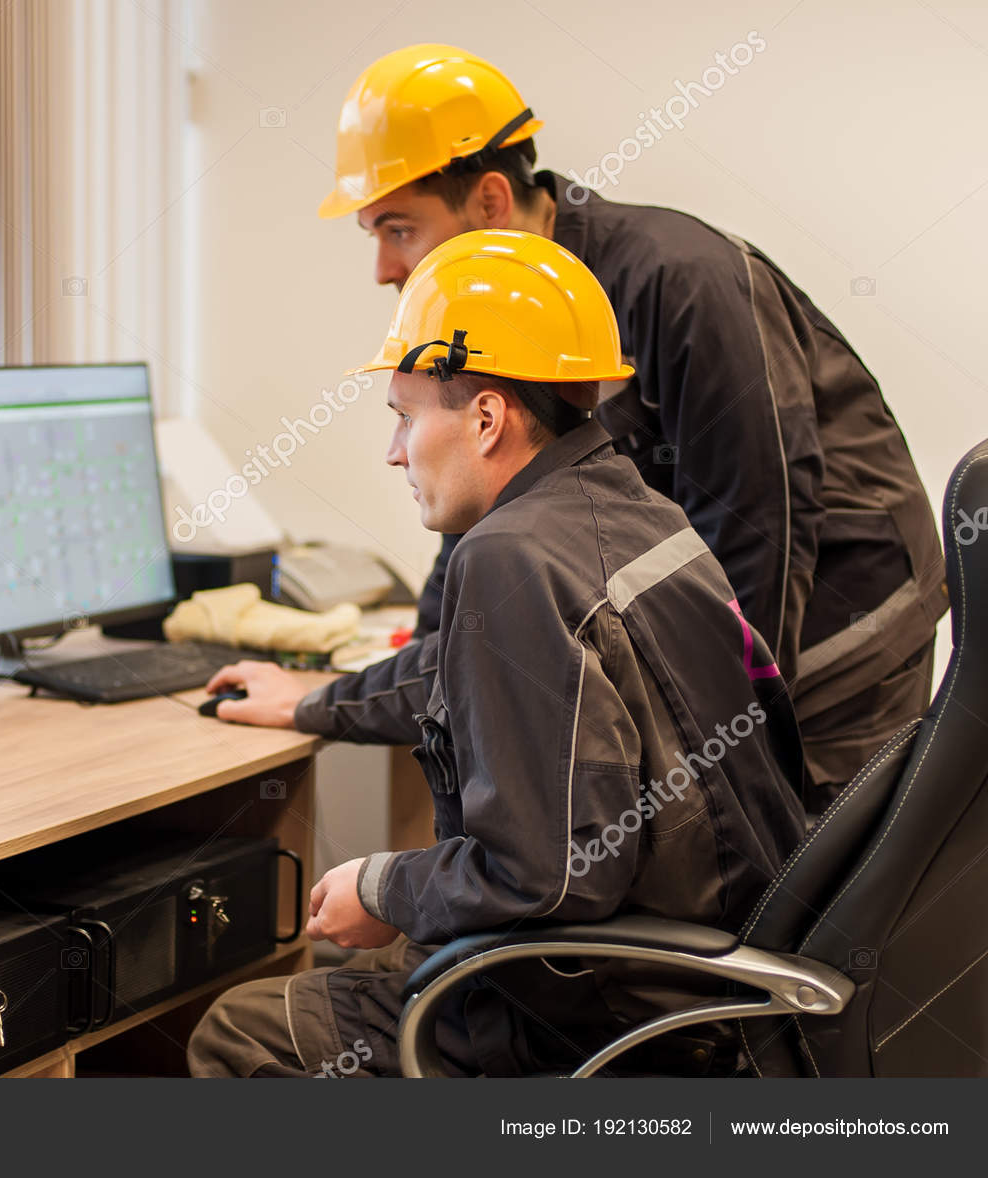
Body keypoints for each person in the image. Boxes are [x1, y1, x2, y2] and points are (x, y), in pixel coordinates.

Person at [210, 45, 944, 810]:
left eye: (398, 229)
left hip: (842, 602)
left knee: (794, 876)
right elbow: (485, 506)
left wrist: (731, 742)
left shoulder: (677, 279)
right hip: (738, 600)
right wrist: (396, 673)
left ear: (491, 201)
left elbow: (761, 522)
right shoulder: (503, 308)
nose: (385, 270)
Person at [187, 230, 807, 1078]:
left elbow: (548, 878)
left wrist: (384, 886)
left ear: (486, 417)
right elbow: (460, 668)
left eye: (406, 418)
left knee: (244, 1028)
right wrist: (311, 699)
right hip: (717, 979)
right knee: (357, 978)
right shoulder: (632, 514)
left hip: (608, 1017)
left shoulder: (508, 553)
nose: (395, 452)